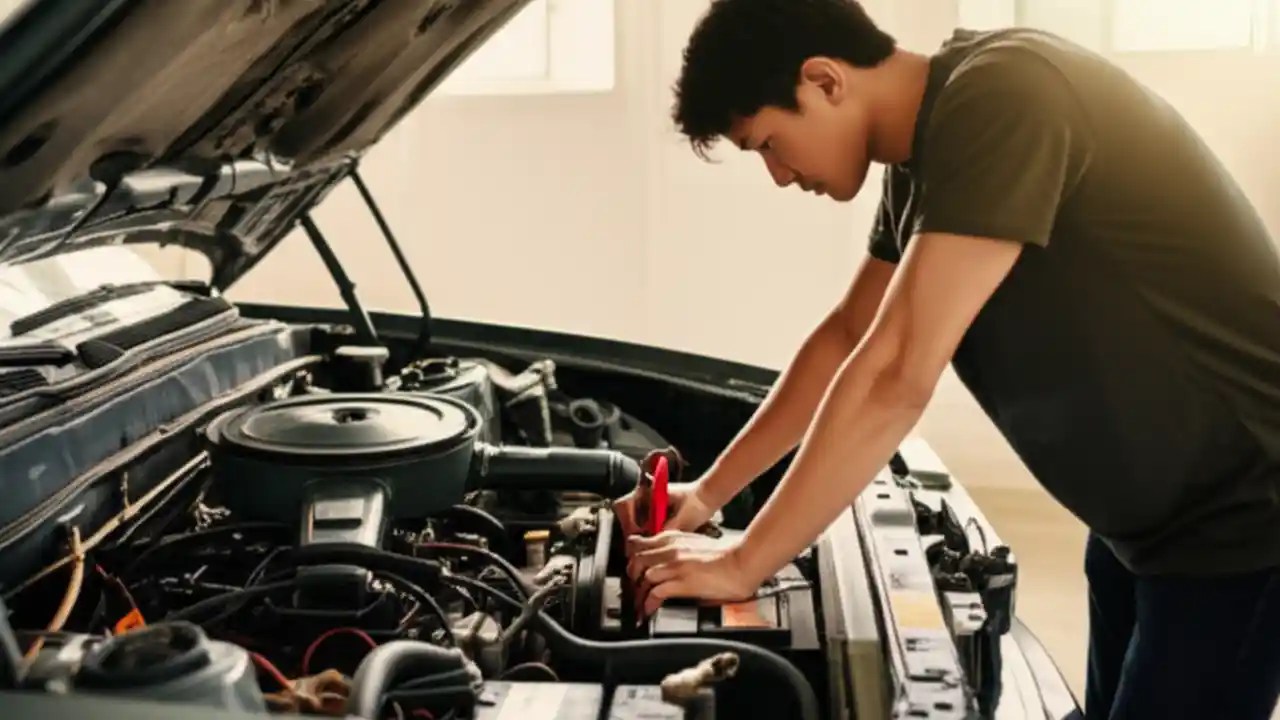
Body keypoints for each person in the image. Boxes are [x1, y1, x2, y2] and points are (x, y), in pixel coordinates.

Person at [611, 1, 1280, 718]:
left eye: (769, 143)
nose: (779, 175)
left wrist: (745, 563)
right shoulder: (925, 156)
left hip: (1240, 523)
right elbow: (848, 337)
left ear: (826, 80)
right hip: (1144, 523)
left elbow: (897, 372)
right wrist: (707, 495)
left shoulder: (1006, 98)